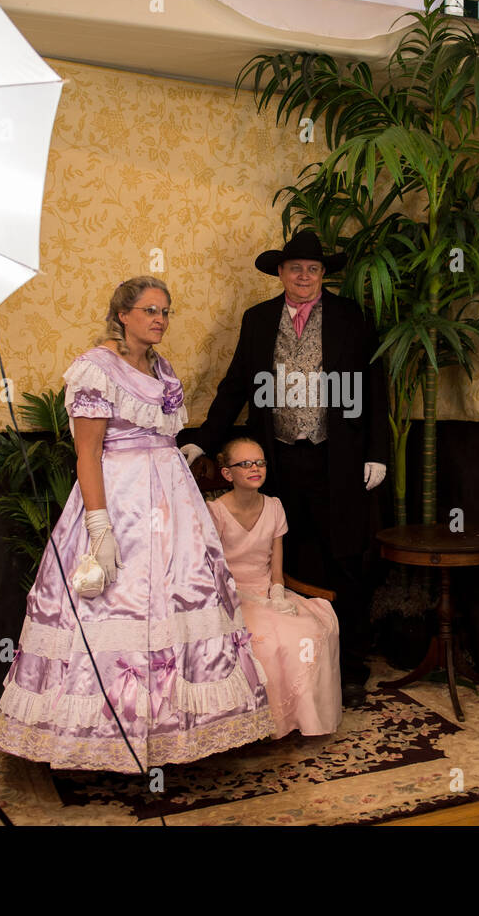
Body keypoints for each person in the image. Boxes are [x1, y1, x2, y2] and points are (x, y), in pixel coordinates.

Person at [0, 276, 274, 772]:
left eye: (165, 311)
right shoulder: (95, 369)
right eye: (149, 310)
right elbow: (87, 453)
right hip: (119, 502)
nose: (160, 319)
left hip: (173, 507)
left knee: (181, 601)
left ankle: (170, 734)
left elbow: (162, 437)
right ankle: (102, 736)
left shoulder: (161, 368)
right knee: (114, 610)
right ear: (123, 314)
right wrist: (99, 527)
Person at [178, 230, 388, 708]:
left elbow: (375, 388)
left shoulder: (351, 317)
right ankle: (293, 669)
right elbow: (234, 386)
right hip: (277, 459)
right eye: (295, 268)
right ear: (281, 273)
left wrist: (376, 451)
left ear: (323, 274)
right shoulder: (257, 320)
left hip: (337, 457)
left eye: (313, 269)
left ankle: (350, 666)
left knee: (344, 559)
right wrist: (202, 441)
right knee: (288, 559)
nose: (304, 276)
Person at [207, 436, 343, 738]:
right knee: (266, 642)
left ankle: (303, 719)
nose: (255, 468)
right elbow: (215, 574)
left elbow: (276, 571)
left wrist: (277, 594)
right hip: (233, 598)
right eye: (245, 464)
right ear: (227, 473)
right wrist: (253, 600)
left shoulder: (274, 506)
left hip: (268, 591)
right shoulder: (214, 513)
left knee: (310, 628)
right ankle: (268, 723)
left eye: (260, 462)